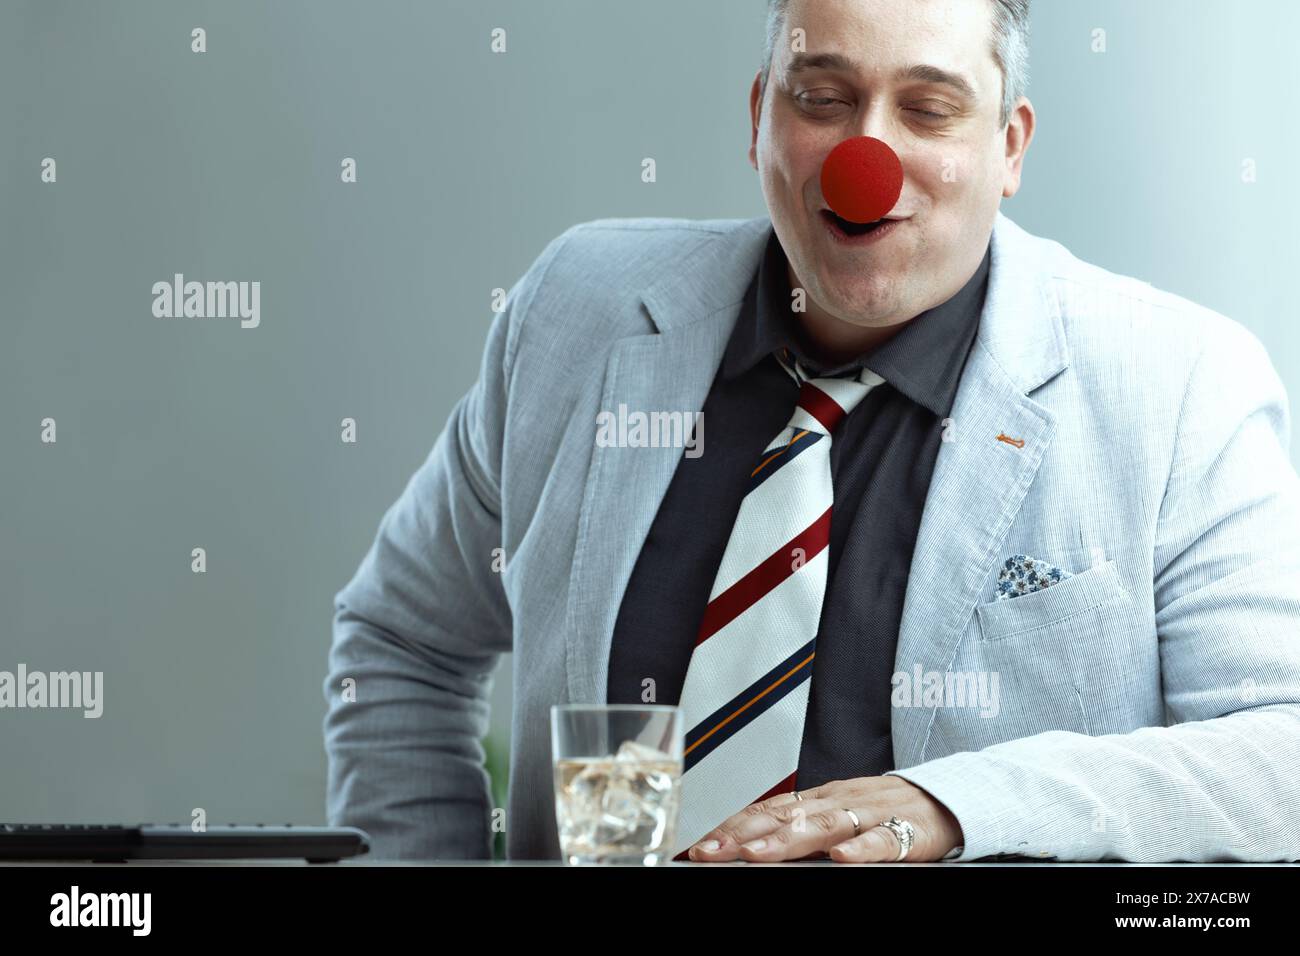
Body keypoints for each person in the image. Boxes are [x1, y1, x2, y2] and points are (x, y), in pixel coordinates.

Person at [323, 0, 1300, 862]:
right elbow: (401, 638)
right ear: (759, 118)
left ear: (1010, 146)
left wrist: (959, 804)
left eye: (927, 108)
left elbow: (1280, 755)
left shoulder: (1178, 386)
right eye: (822, 98)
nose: (861, 161)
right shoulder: (577, 315)